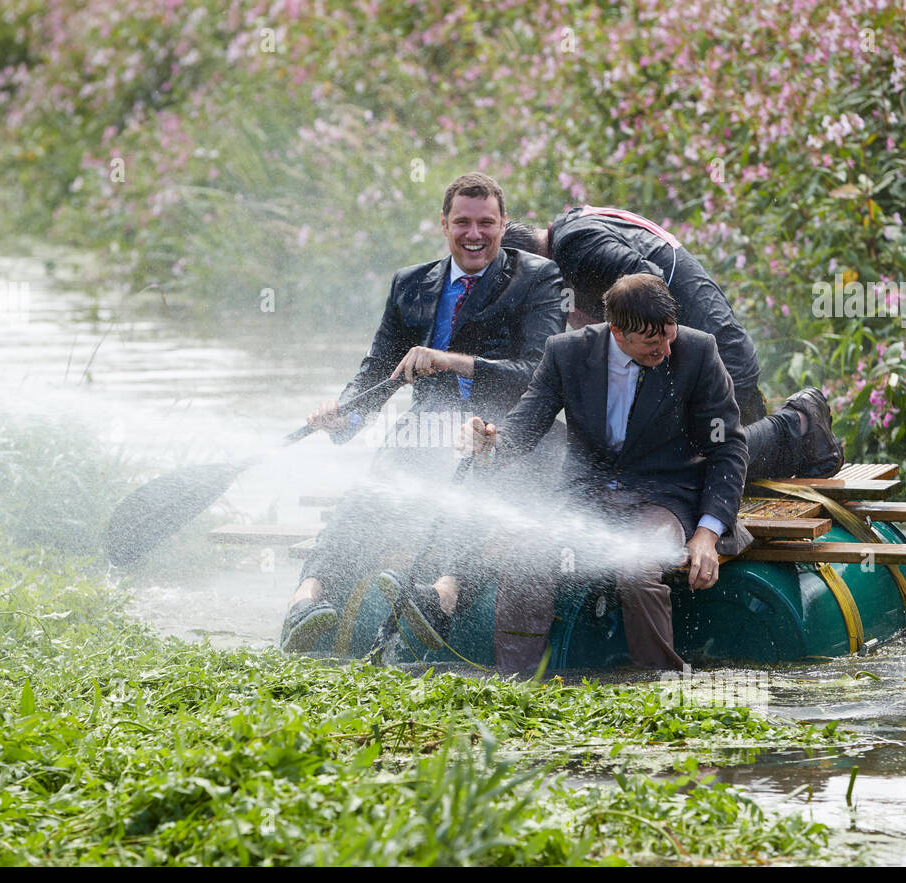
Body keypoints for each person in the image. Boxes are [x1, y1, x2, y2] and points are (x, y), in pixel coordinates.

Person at [385, 273, 751, 672]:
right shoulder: (566, 352)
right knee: (526, 557)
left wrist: (706, 534)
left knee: (636, 568)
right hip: (583, 496)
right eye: (652, 342)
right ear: (617, 332)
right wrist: (490, 443)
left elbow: (728, 446)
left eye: (669, 335)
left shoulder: (697, 352)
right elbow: (523, 428)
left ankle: (660, 684)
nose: (665, 349)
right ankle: (517, 683)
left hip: (663, 497)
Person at [280, 172, 565, 651]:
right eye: (462, 223)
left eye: (486, 223)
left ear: (504, 223)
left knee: (481, 493)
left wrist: (450, 360)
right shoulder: (409, 284)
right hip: (426, 430)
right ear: (443, 224)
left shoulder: (538, 278)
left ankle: (440, 600)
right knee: (367, 498)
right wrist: (343, 417)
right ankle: (304, 601)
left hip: (506, 431)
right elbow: (377, 370)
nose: (474, 234)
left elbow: (538, 371)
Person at [501, 206, 842, 480]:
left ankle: (799, 421)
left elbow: (651, 282)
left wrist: (605, 325)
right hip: (709, 353)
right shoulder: (572, 226)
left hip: (714, 363)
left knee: (668, 469)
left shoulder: (577, 247)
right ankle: (790, 439)